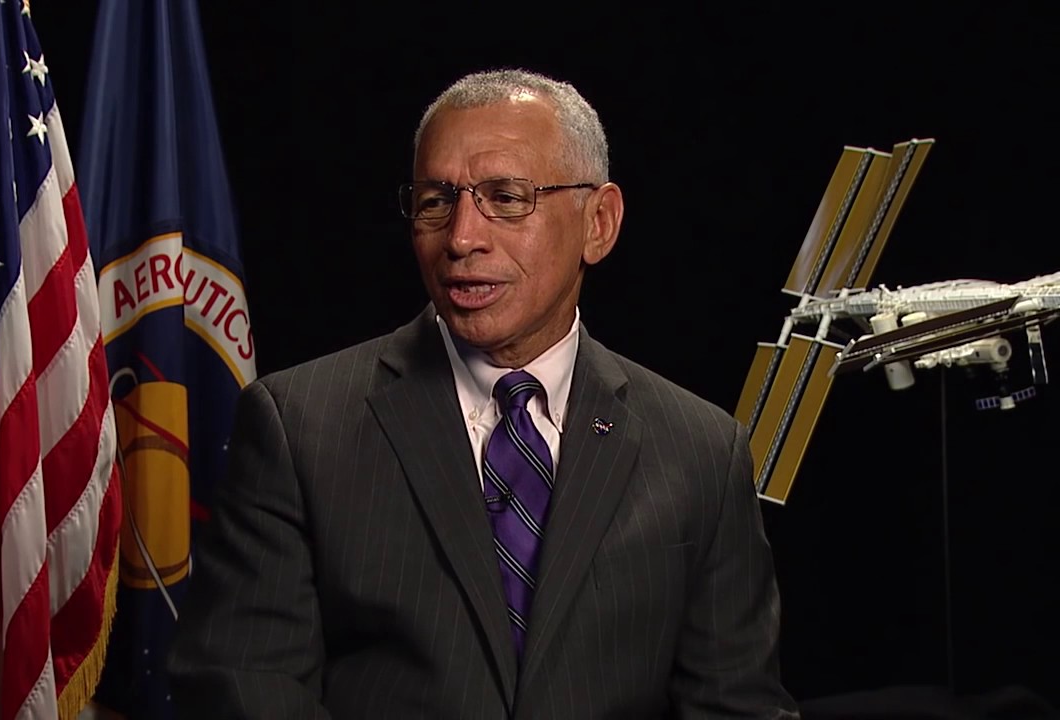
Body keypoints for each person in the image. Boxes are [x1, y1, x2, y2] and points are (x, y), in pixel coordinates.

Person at [166, 68, 800, 719]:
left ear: (599, 223)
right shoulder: (300, 426)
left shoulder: (700, 449)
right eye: (437, 200)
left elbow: (736, 705)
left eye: (506, 196)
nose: (462, 238)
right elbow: (244, 688)